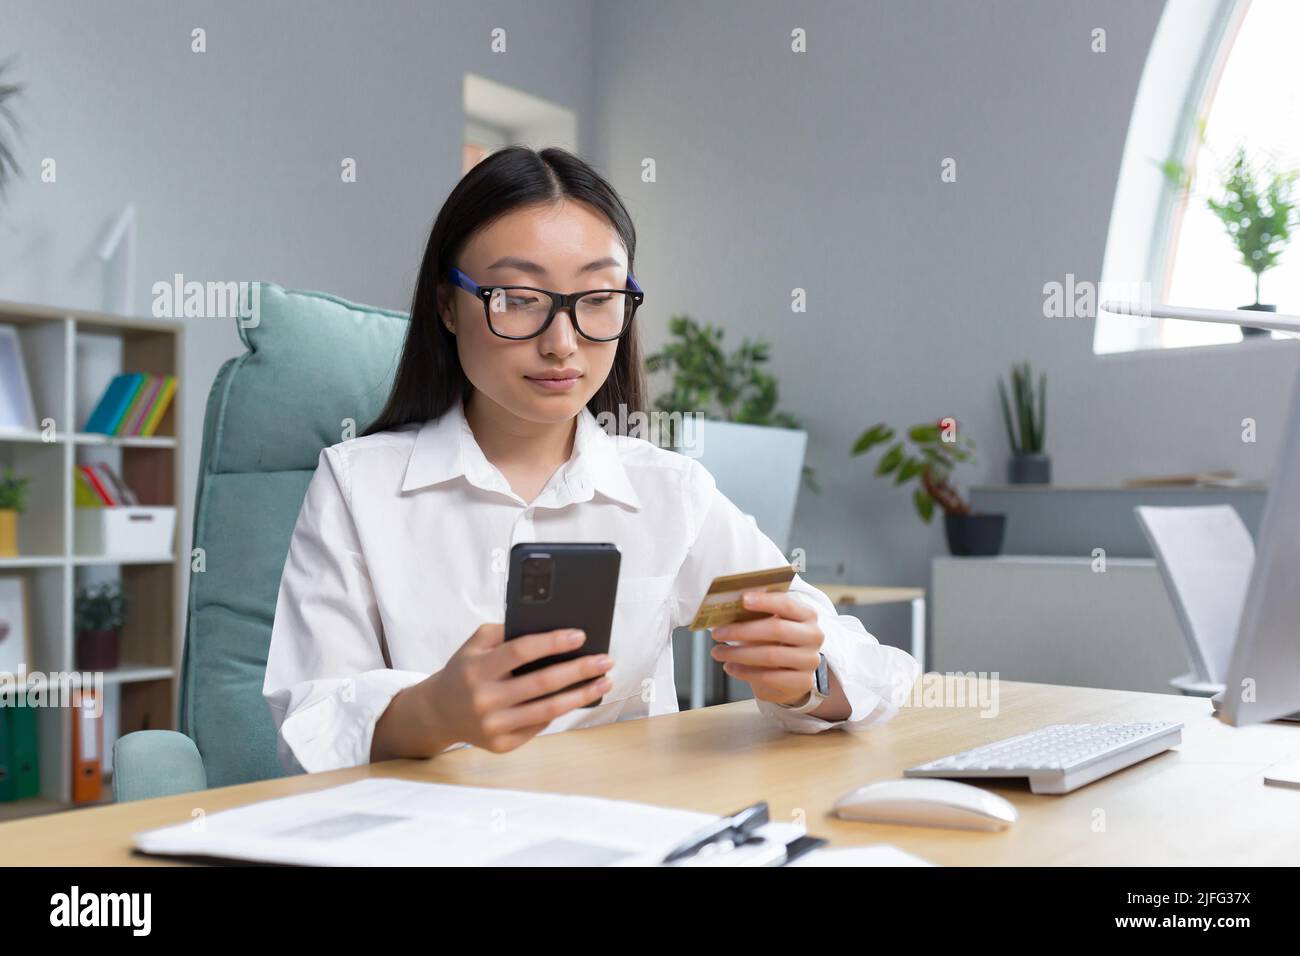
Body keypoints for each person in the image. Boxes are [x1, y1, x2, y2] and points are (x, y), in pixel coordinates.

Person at [262, 145, 920, 774]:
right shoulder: (357, 484)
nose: (562, 343)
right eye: (518, 300)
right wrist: (435, 712)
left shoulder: (669, 493)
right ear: (447, 306)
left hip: (631, 835)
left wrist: (810, 677)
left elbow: (874, 669)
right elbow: (310, 720)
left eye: (598, 300)